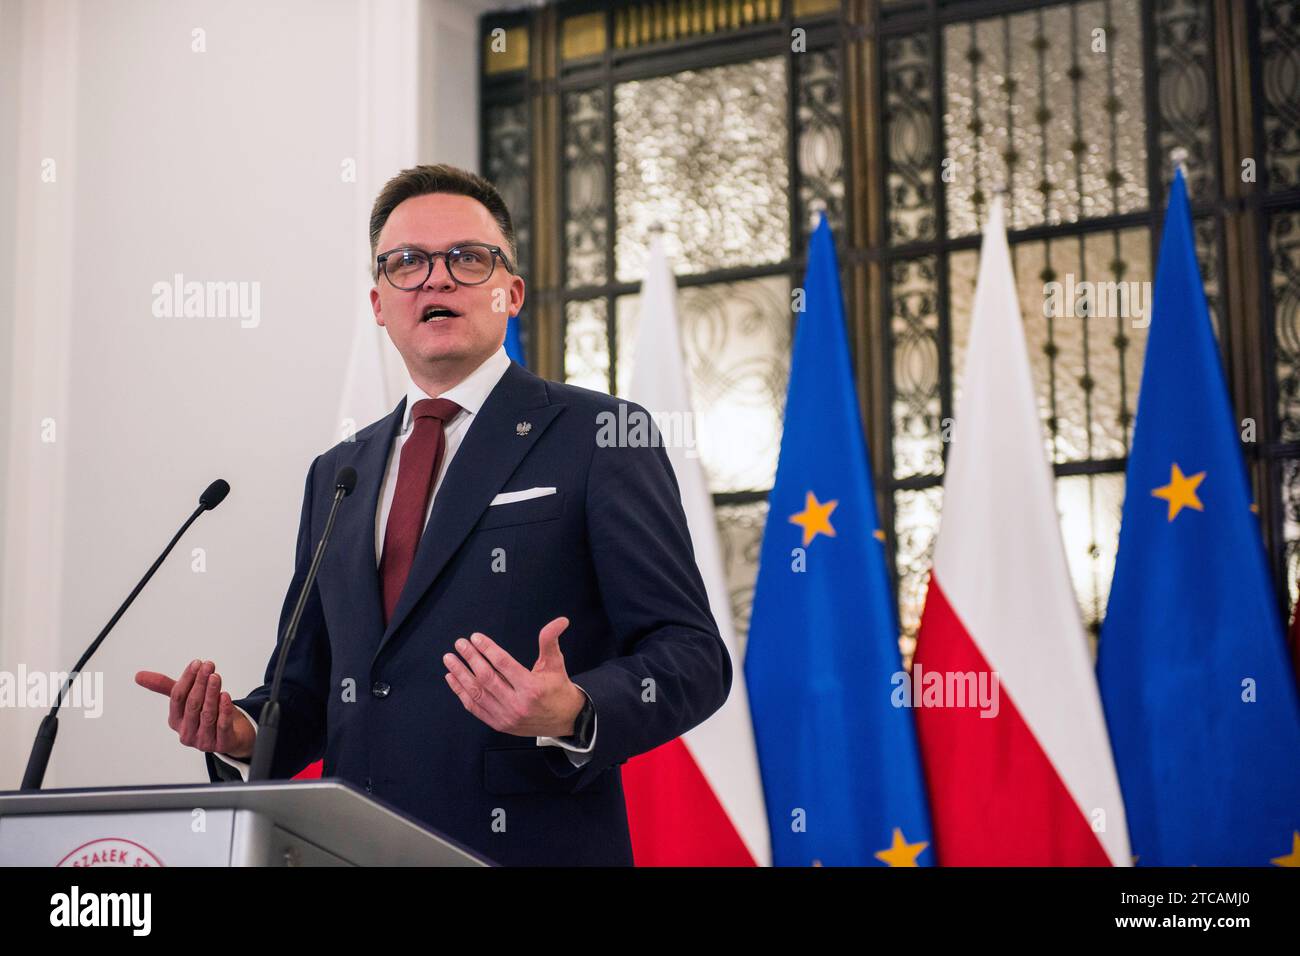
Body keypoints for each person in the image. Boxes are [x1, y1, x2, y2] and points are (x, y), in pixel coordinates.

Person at [135, 164, 731, 866]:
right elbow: (309, 692)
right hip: (348, 850)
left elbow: (692, 656)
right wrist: (240, 733)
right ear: (379, 302)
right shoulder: (339, 473)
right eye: (407, 263)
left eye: (467, 259)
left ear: (511, 293)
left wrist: (574, 709)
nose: (436, 279)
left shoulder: (598, 436)